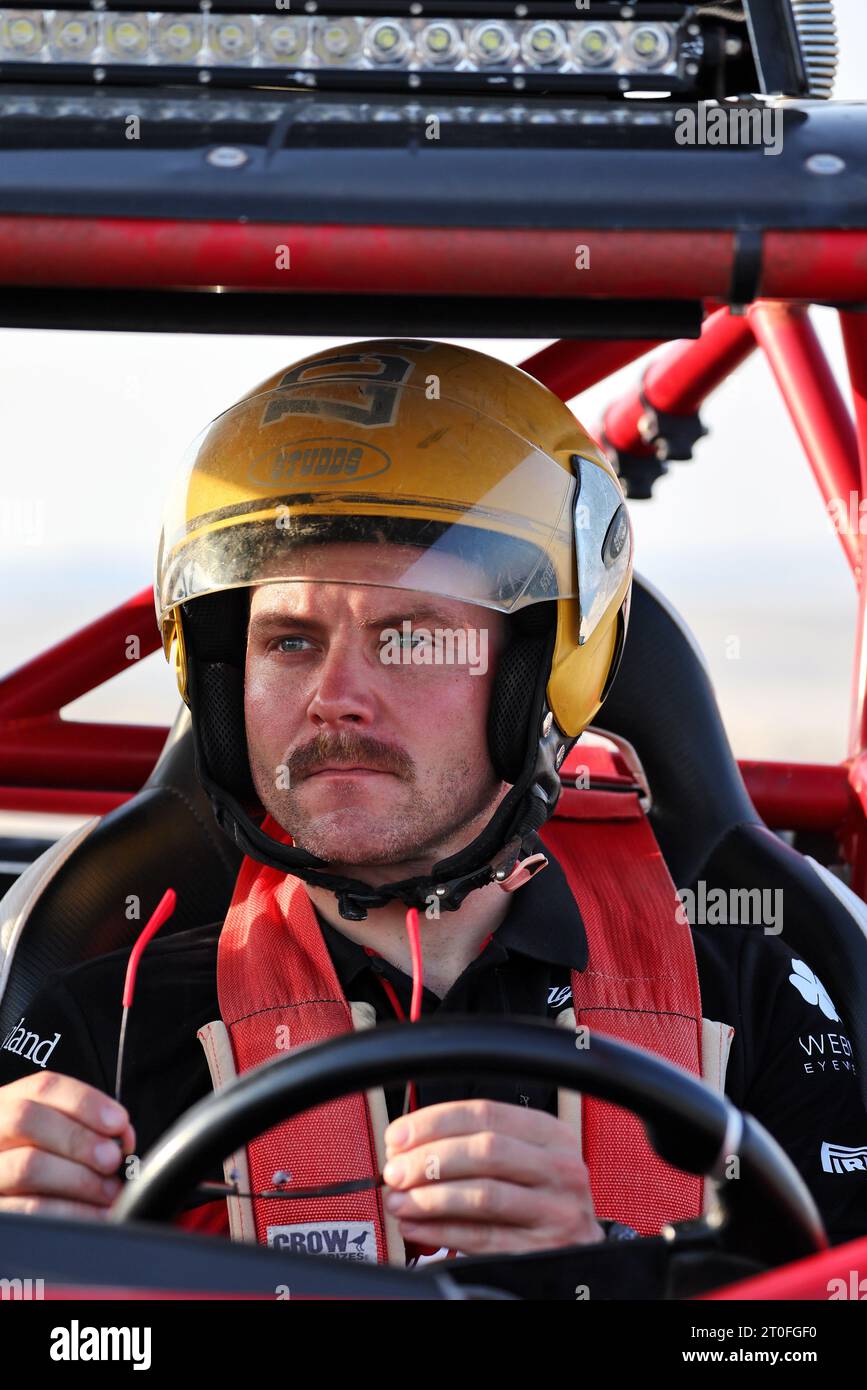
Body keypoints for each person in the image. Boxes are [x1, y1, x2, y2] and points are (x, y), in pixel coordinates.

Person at [0, 340, 864, 1285]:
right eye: (289, 640)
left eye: (409, 638)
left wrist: (597, 1275)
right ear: (222, 681)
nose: (335, 697)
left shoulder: (750, 993)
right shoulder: (104, 1025)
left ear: (532, 673)